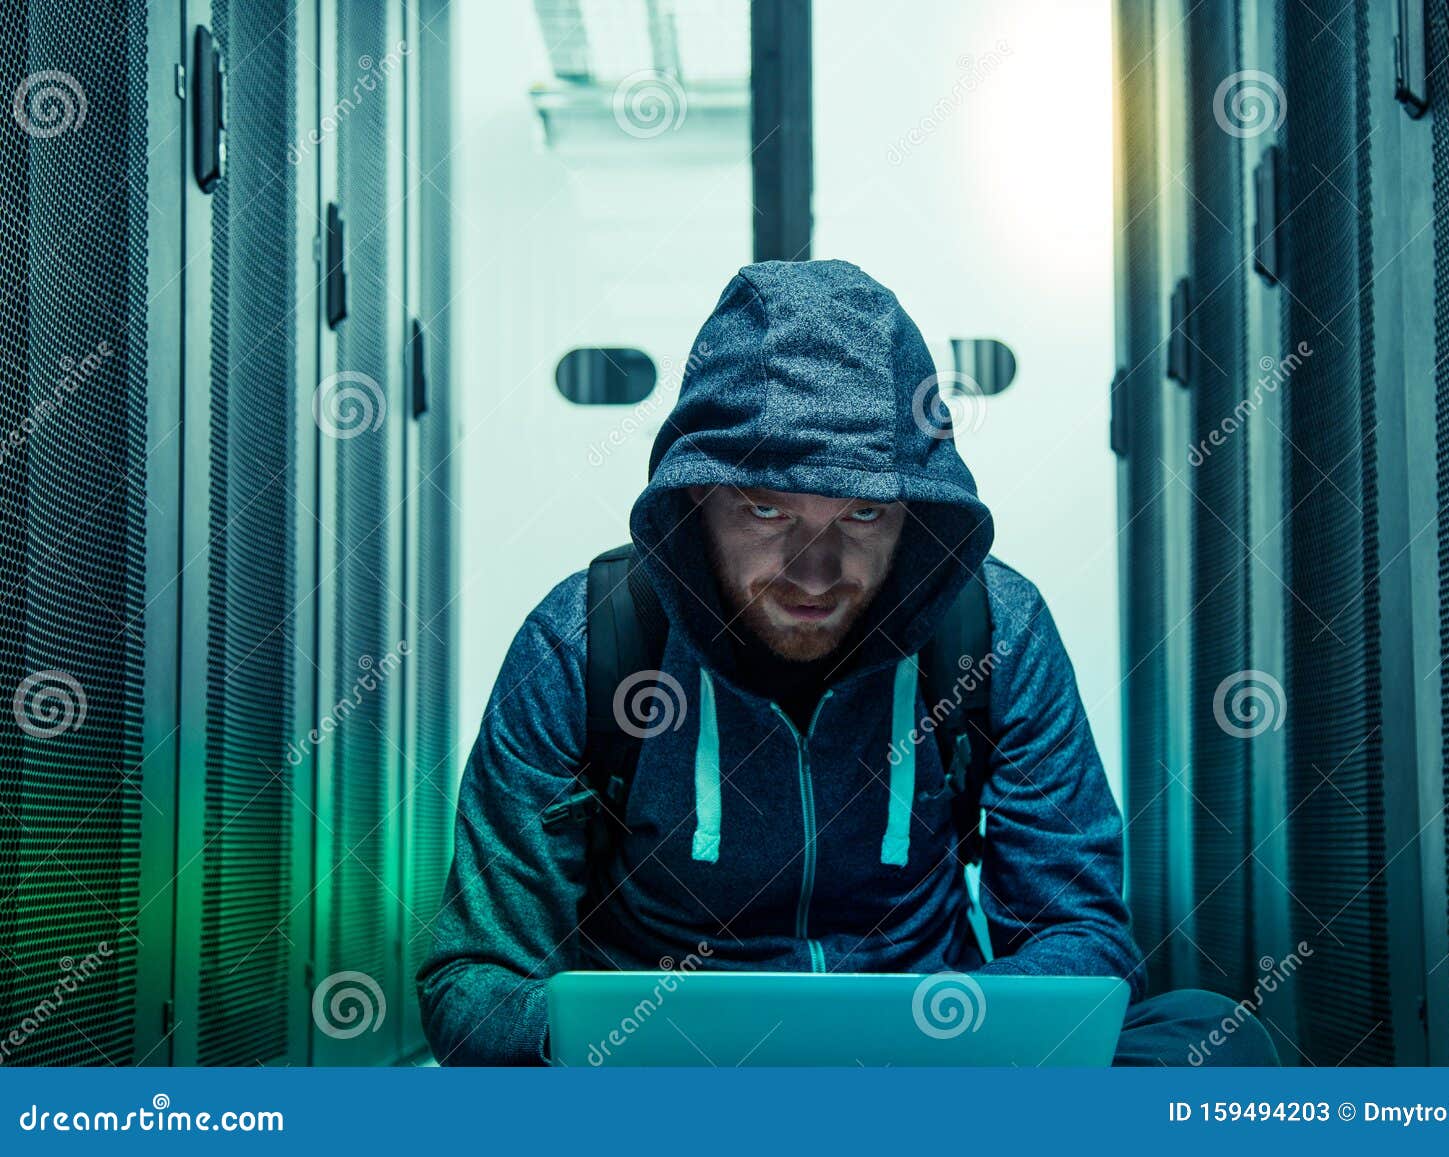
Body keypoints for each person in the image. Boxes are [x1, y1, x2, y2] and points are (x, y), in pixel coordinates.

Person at [415, 258, 1278, 1067]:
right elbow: (473, 983)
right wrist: (656, 1043)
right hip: (668, 1085)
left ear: (916, 516)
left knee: (1211, 1034)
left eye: (862, 514)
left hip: (931, 1076)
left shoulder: (993, 629)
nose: (814, 572)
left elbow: (1082, 938)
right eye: (767, 510)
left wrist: (934, 1039)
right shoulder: (585, 642)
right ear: (697, 500)